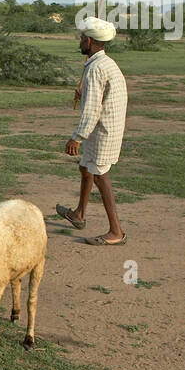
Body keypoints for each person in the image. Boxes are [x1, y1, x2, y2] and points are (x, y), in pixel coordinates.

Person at [56, 15, 128, 244]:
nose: (79, 41)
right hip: (104, 127)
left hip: (104, 129)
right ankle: (79, 214)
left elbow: (92, 110)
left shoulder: (97, 68)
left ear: (89, 41)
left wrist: (76, 137)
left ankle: (116, 232)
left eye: (81, 38)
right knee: (86, 168)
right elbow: (97, 98)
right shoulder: (102, 63)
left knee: (99, 175)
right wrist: (84, 92)